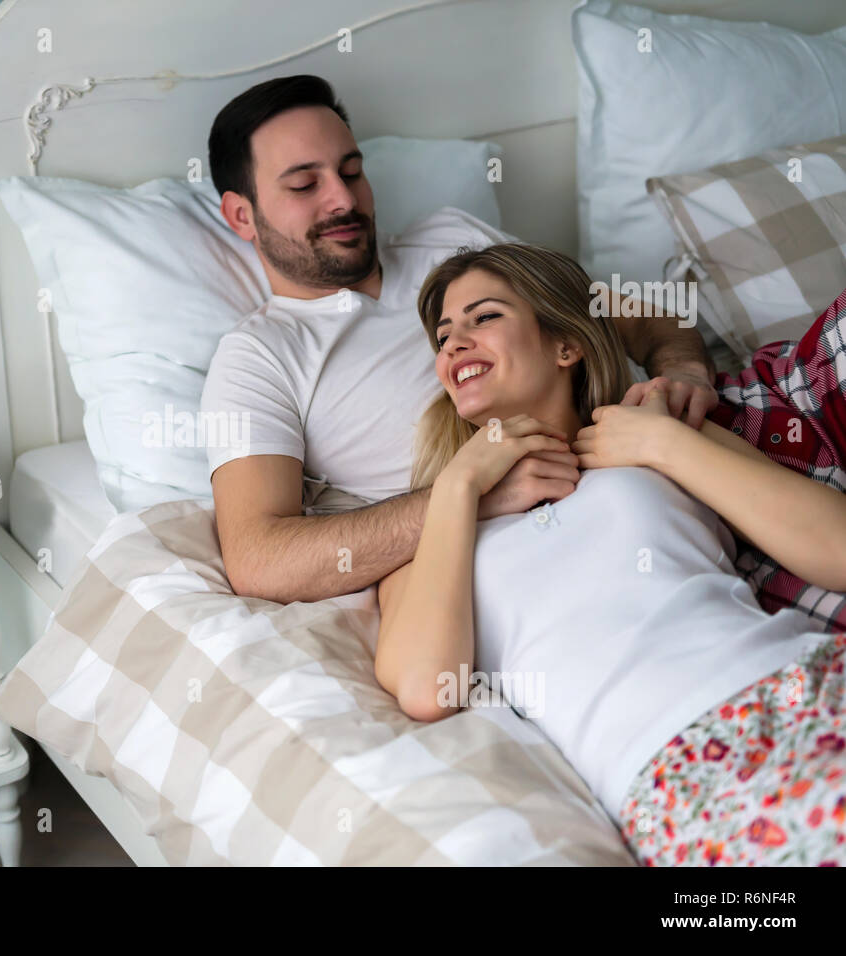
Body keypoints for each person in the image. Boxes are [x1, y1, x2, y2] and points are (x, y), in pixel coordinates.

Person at [374, 241, 846, 865]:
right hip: (678, 771)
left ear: (565, 344)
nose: (454, 343)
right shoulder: (434, 538)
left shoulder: (650, 432)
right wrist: (459, 487)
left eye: (483, 317)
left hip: (810, 678)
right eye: (443, 336)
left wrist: (664, 444)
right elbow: (426, 688)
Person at [200, 74, 718, 605]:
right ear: (242, 215)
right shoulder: (258, 356)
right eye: (305, 185)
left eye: (352, 172)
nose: (342, 199)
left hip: (679, 453)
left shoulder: (449, 240)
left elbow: (627, 315)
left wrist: (684, 373)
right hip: (575, 536)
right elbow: (259, 559)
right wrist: (470, 496)